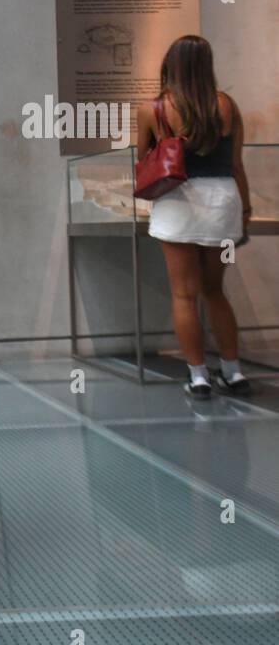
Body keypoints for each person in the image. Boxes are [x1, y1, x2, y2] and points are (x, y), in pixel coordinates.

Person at [137, 35, 252, 399]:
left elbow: (142, 160)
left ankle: (199, 377)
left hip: (178, 202)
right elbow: (236, 165)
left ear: (171, 64)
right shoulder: (227, 106)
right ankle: (233, 373)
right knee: (215, 291)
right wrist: (245, 212)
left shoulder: (154, 109)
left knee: (184, 295)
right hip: (222, 201)